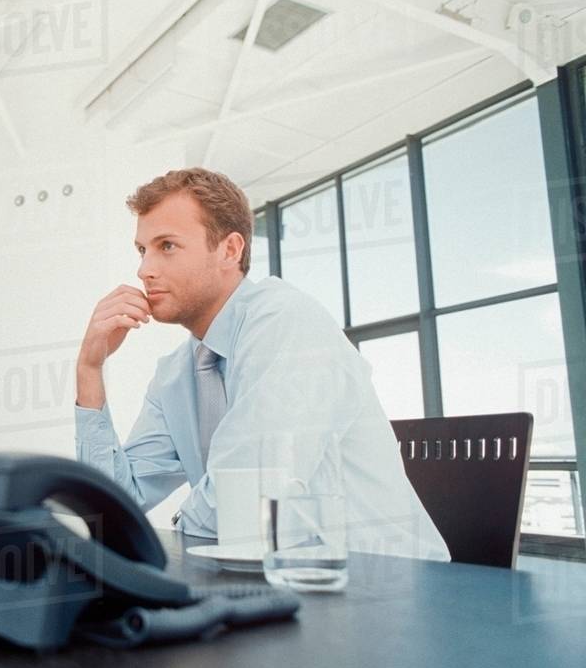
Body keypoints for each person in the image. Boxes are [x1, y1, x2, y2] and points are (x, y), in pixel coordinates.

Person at [75, 168, 449, 560]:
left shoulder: (286, 322)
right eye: (142, 250)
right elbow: (109, 508)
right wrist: (89, 369)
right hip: (279, 583)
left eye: (166, 246)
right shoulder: (176, 372)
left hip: (387, 586)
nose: (144, 269)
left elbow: (247, 502)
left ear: (230, 250)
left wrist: (160, 543)